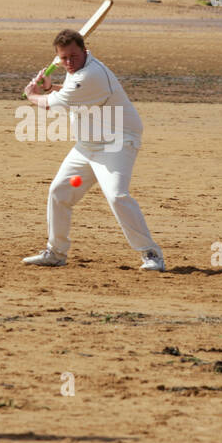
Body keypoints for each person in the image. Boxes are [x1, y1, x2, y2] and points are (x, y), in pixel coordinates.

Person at [21, 29, 164, 271]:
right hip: (86, 148)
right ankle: (56, 252)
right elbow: (70, 93)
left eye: (73, 57)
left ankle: (151, 254)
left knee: (117, 195)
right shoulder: (75, 72)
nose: (68, 62)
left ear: (85, 51)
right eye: (64, 58)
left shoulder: (90, 75)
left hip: (116, 145)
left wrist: (31, 95)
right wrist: (51, 86)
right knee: (59, 191)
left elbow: (53, 104)